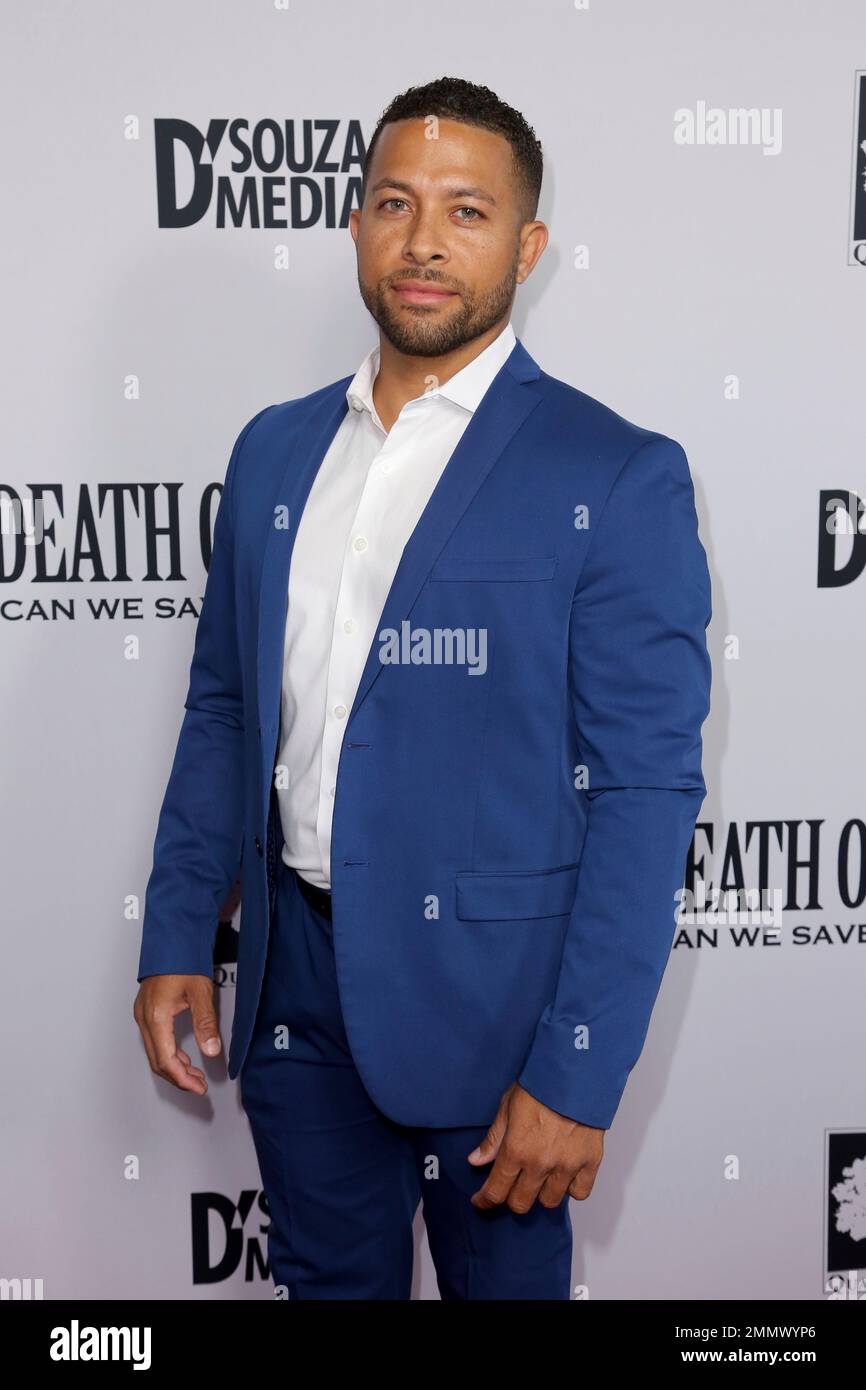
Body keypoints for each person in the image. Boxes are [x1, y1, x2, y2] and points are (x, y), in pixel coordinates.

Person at [134, 75, 712, 1300]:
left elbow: (645, 792)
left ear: (527, 245)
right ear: (355, 224)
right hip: (298, 996)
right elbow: (227, 707)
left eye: (467, 210)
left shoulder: (613, 474)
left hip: (500, 1026)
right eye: (395, 202)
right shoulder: (273, 449)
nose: (426, 240)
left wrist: (575, 1069)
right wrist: (184, 926)